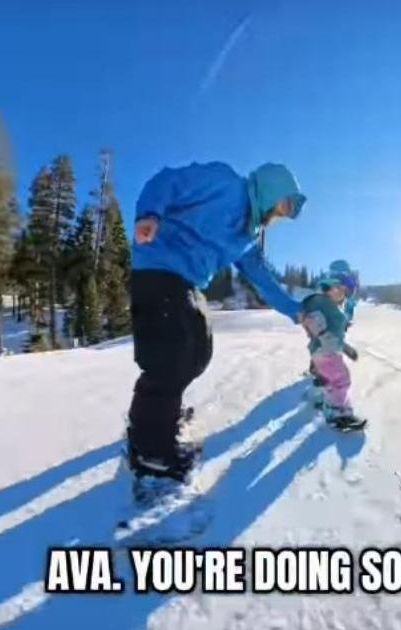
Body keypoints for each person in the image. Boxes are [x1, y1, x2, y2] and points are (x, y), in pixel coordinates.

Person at [127, 161, 306, 501]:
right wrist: (150, 214)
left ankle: (161, 417)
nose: (280, 216)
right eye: (282, 206)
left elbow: (264, 280)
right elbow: (166, 181)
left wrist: (296, 312)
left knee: (197, 352)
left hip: (187, 281)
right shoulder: (225, 185)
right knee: (170, 357)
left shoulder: (247, 236)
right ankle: (150, 451)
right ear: (270, 191)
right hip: (158, 268)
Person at [300, 272, 364, 430]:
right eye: (338, 289)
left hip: (326, 350)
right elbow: (311, 319)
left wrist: (346, 348)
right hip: (325, 350)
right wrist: (322, 335)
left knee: (329, 379)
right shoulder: (320, 302)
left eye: (344, 291)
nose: (342, 294)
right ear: (328, 288)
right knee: (341, 379)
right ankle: (336, 413)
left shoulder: (330, 306)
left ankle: (320, 399)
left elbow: (336, 336)